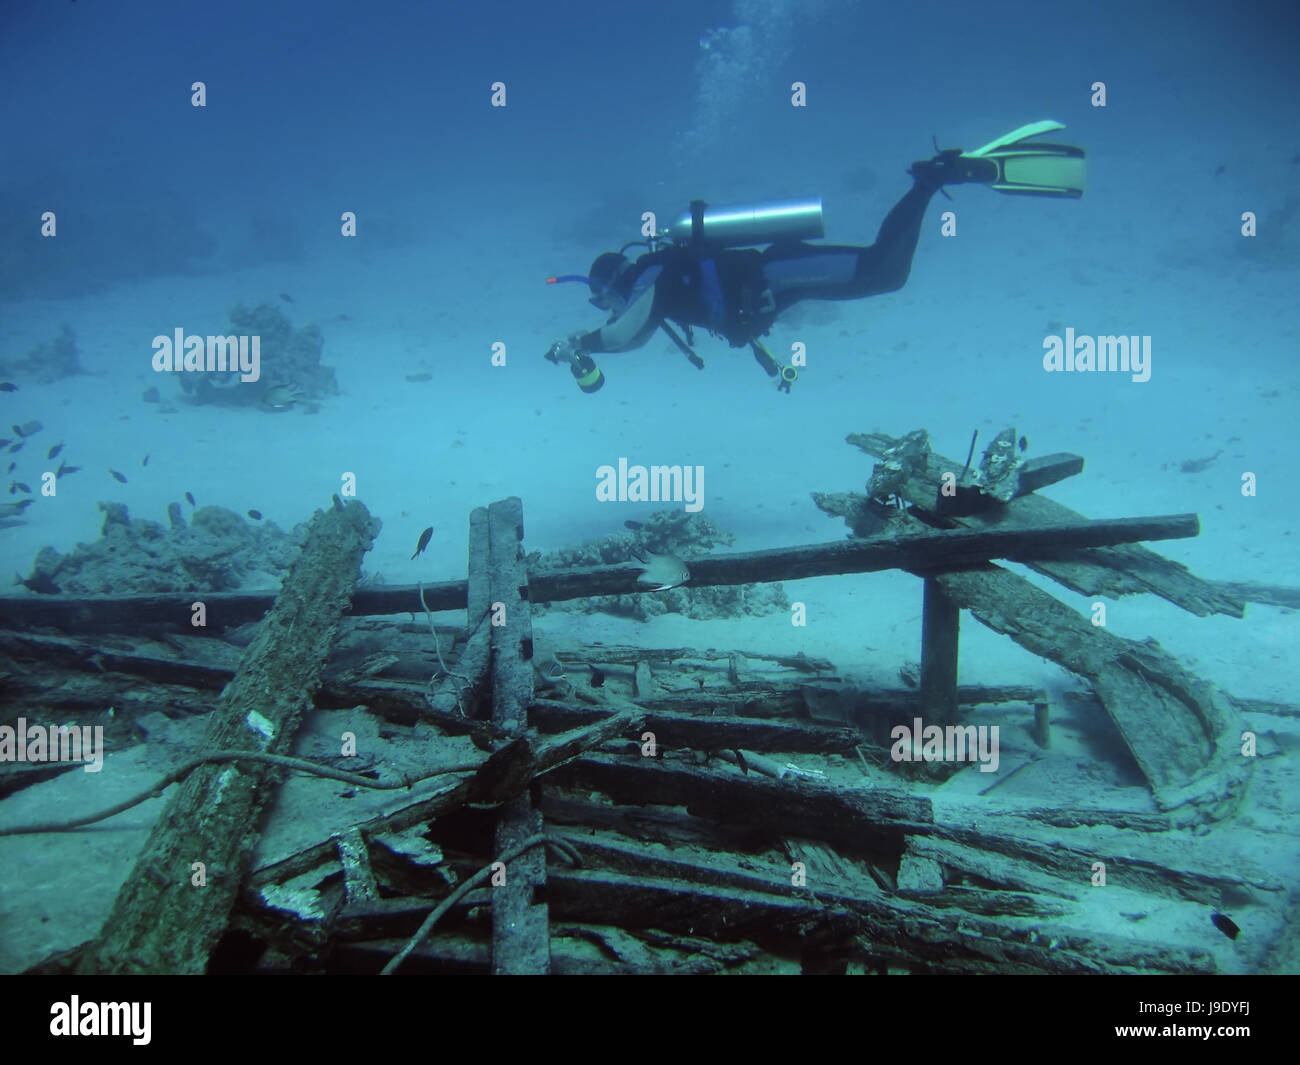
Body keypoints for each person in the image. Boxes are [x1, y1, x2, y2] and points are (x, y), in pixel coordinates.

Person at [544, 121, 1085, 394]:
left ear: (612, 281)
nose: (607, 308)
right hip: (774, 288)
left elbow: (622, 335)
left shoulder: (651, 276)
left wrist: (580, 342)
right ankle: (933, 180)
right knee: (884, 276)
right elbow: (643, 333)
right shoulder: (655, 287)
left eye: (601, 299)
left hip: (775, 274)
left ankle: (934, 178)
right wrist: (769, 360)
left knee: (883, 272)